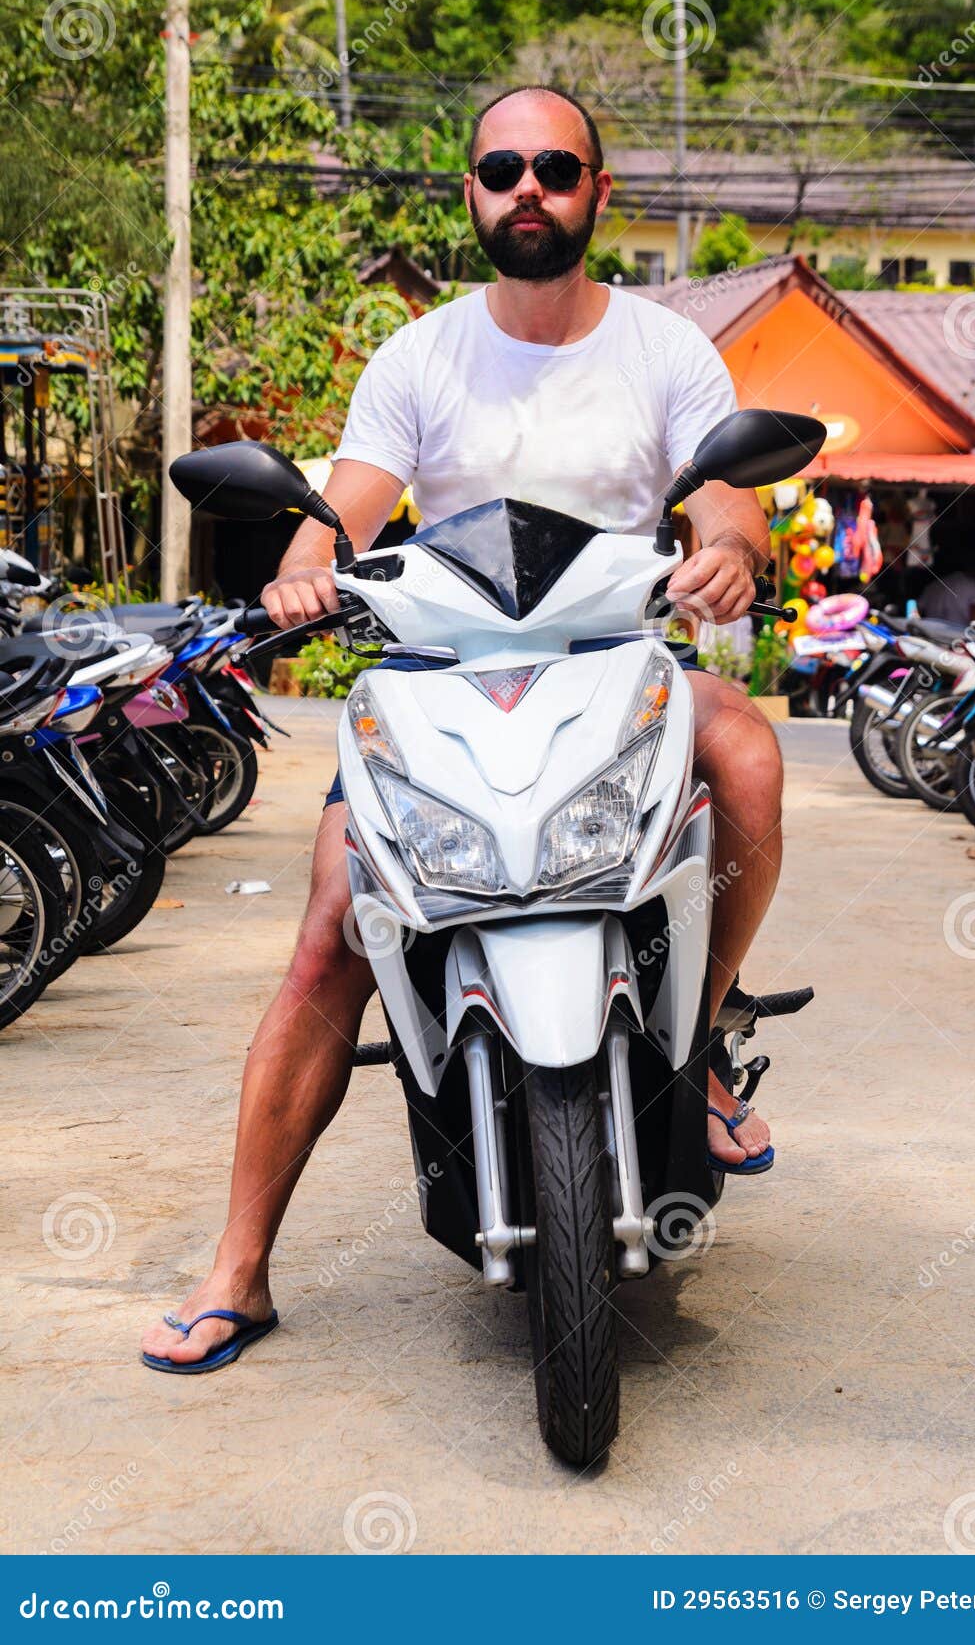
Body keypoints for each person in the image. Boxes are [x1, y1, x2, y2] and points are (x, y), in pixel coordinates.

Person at [142, 85, 784, 1372]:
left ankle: (701, 1029)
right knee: (332, 931)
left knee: (752, 760)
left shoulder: (664, 351)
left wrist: (728, 552)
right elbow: (346, 508)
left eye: (554, 166)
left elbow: (726, 495)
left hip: (615, 664)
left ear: (597, 192)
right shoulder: (420, 356)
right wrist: (304, 570)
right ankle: (239, 1267)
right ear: (475, 194)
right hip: (440, 680)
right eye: (502, 169)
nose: (526, 187)